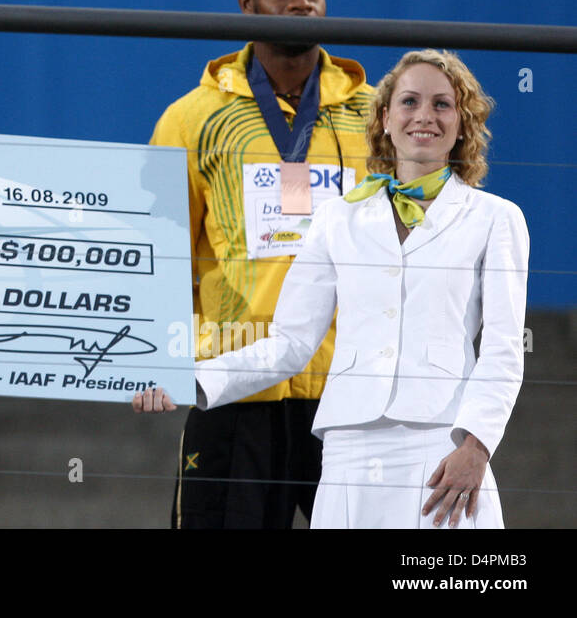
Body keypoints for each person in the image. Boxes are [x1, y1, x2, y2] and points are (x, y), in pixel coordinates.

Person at [136, 50, 528, 528]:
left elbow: (504, 350)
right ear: (384, 118)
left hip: (442, 448)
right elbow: (291, 342)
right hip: (348, 453)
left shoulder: (496, 218)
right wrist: (190, 377)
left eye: (442, 105)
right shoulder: (336, 217)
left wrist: (477, 446)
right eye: (409, 102)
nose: (424, 116)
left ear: (463, 123)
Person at [148, 0, 372, 528]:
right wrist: (174, 351)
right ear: (247, 4)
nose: (301, 3)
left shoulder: (373, 116)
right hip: (238, 384)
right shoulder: (192, 118)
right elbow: (160, 251)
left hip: (347, 391)